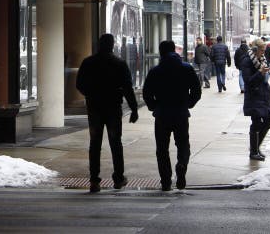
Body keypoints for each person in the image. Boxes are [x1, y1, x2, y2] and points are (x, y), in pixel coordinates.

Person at [76, 33, 139, 193]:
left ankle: (94, 181)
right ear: (112, 45)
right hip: (113, 108)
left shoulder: (88, 62)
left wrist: (91, 94)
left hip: (95, 108)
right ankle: (118, 178)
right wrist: (133, 108)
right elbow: (127, 88)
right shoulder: (119, 64)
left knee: (95, 144)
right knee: (115, 143)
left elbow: (79, 84)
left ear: (99, 45)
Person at [143, 40, 201, 191]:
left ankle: (166, 181)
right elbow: (196, 91)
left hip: (162, 114)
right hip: (181, 113)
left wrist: (153, 106)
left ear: (161, 52)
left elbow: (147, 93)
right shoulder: (186, 68)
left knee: (162, 149)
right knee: (183, 145)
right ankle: (181, 165)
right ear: (174, 50)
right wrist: (188, 104)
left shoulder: (155, 71)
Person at [239, 38, 270, 161]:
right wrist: (260, 72)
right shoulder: (247, 61)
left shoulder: (262, 59)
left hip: (264, 95)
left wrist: (267, 70)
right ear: (255, 50)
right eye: (262, 50)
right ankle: (253, 151)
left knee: (268, 122)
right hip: (254, 96)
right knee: (256, 124)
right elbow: (248, 81)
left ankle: (255, 147)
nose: (263, 53)